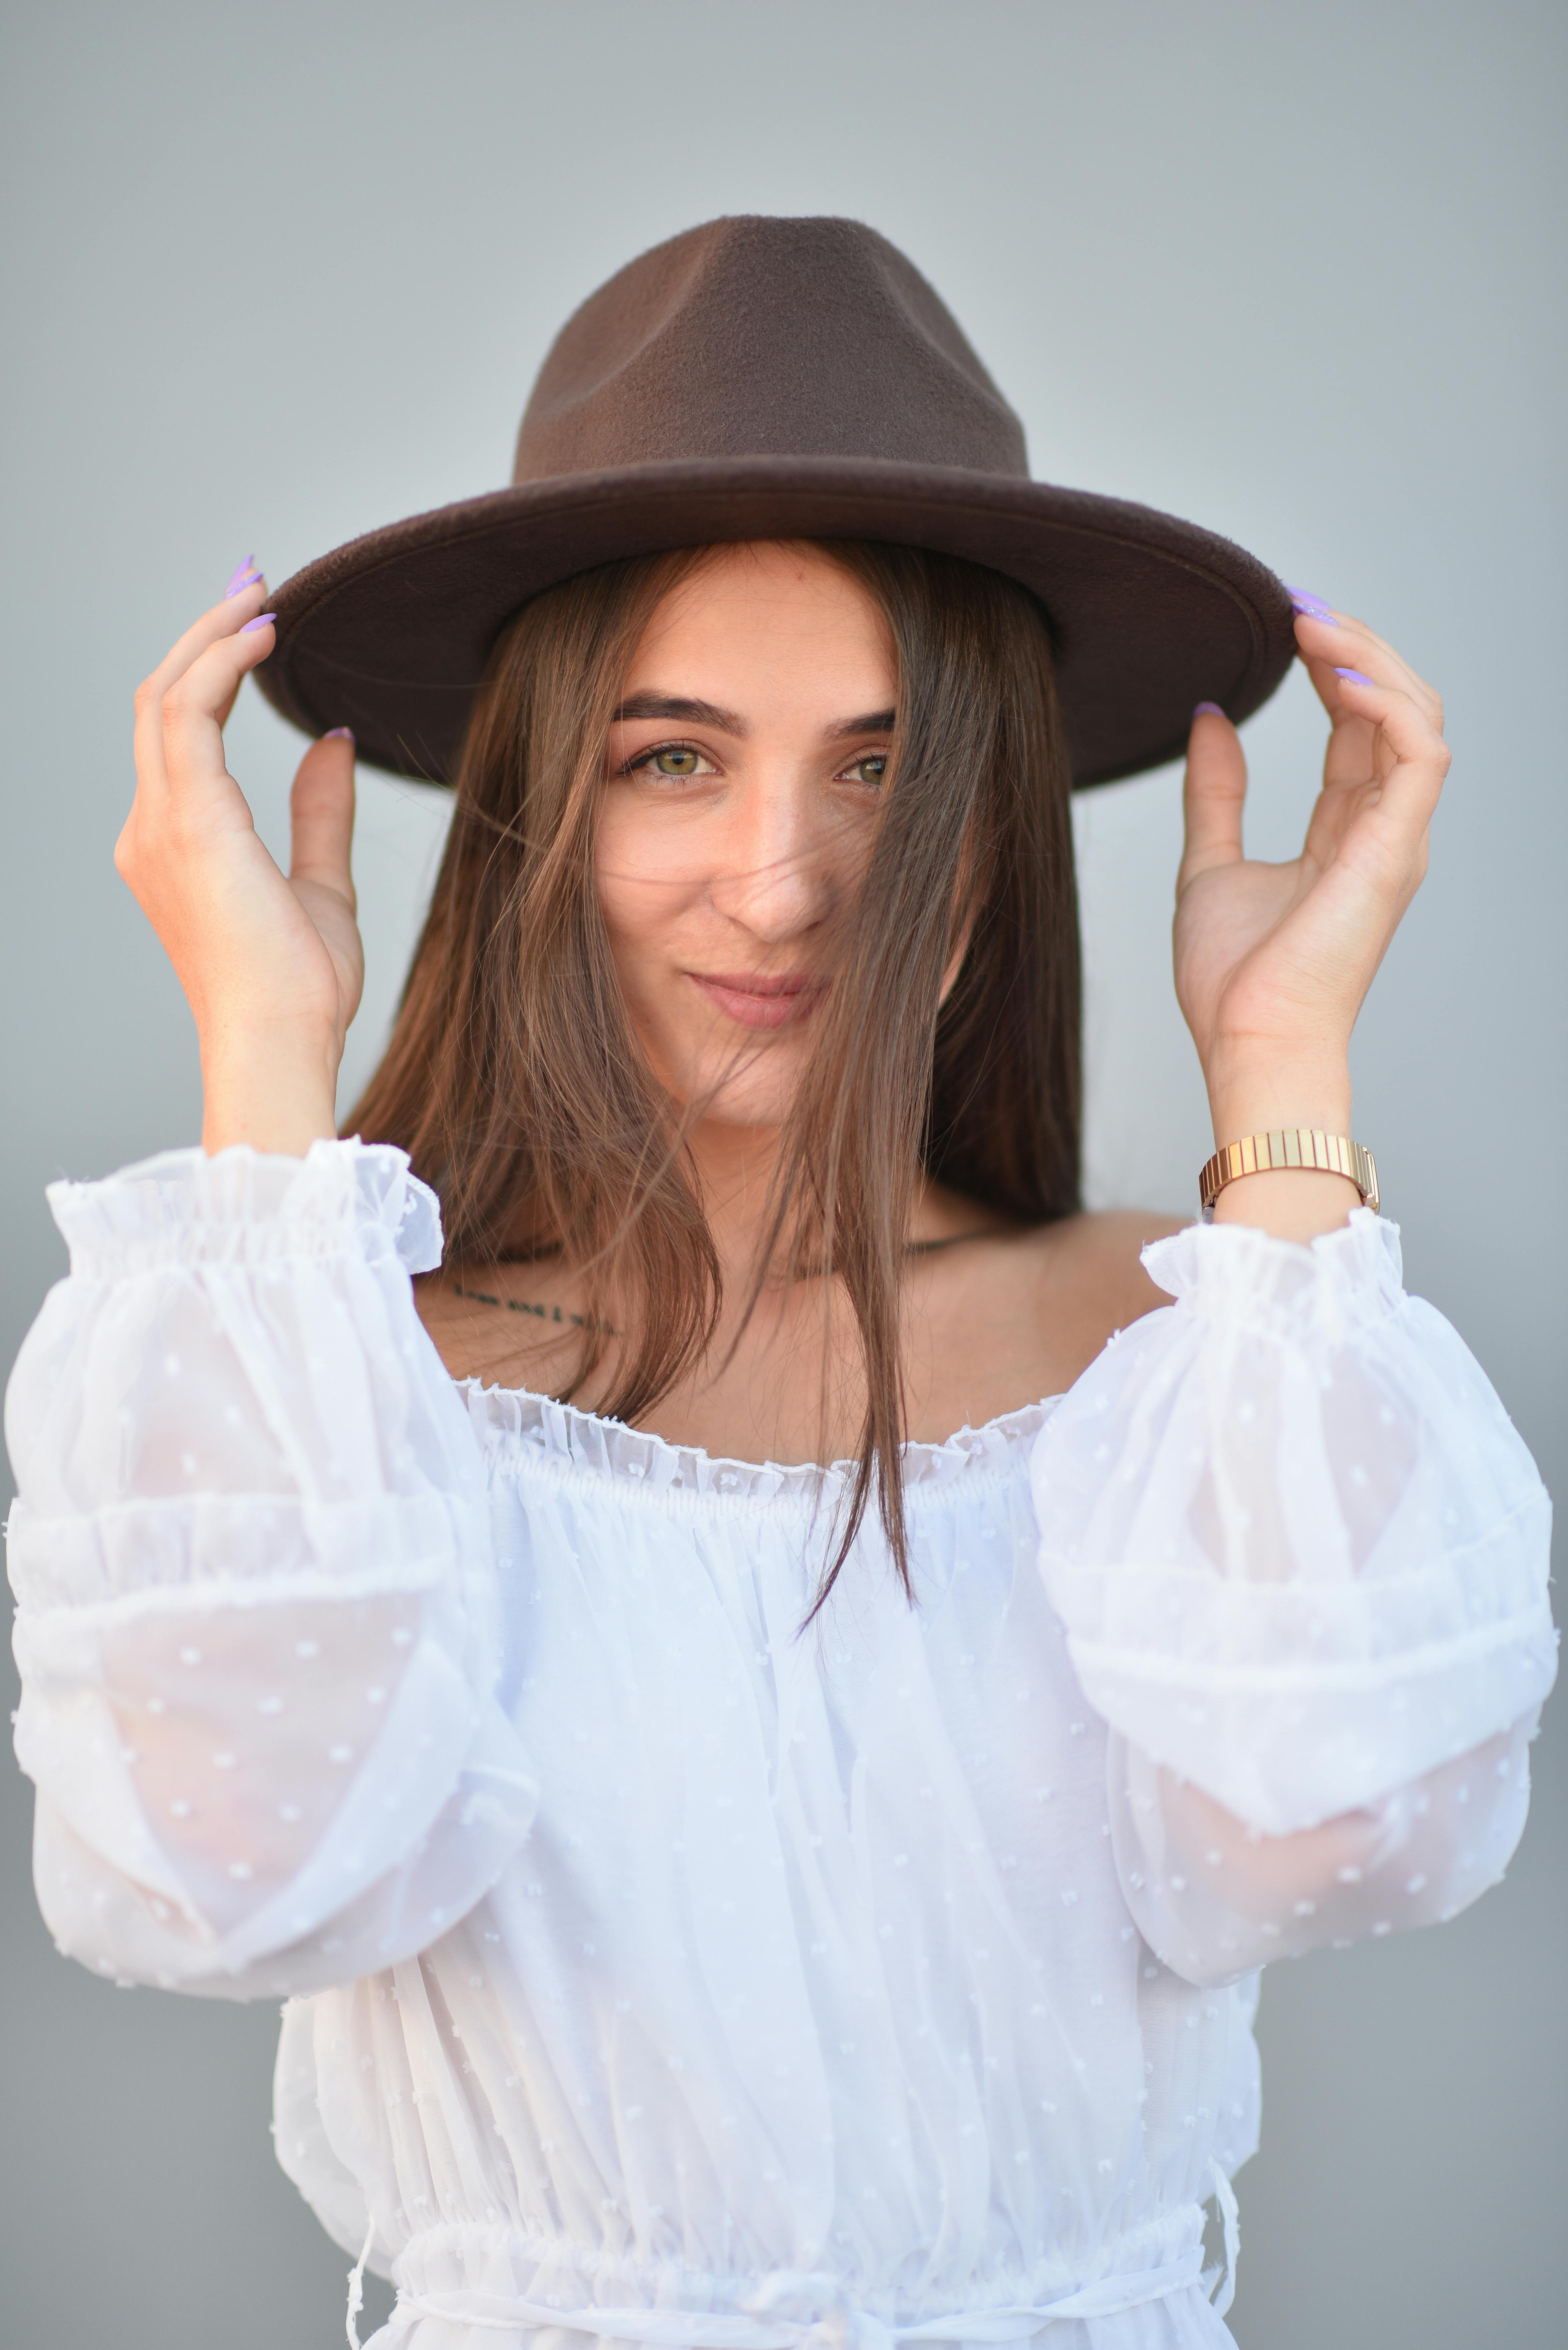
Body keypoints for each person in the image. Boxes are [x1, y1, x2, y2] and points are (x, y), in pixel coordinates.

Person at [4, 217, 1555, 2349]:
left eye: (884, 763)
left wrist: (1281, 1072)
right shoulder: (354, 1390)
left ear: (996, 824)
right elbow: (234, 1874)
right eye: (673, 758)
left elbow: (1339, 1833)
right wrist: (267, 1090)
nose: (781, 882)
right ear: (542, 803)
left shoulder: (1185, 1348)